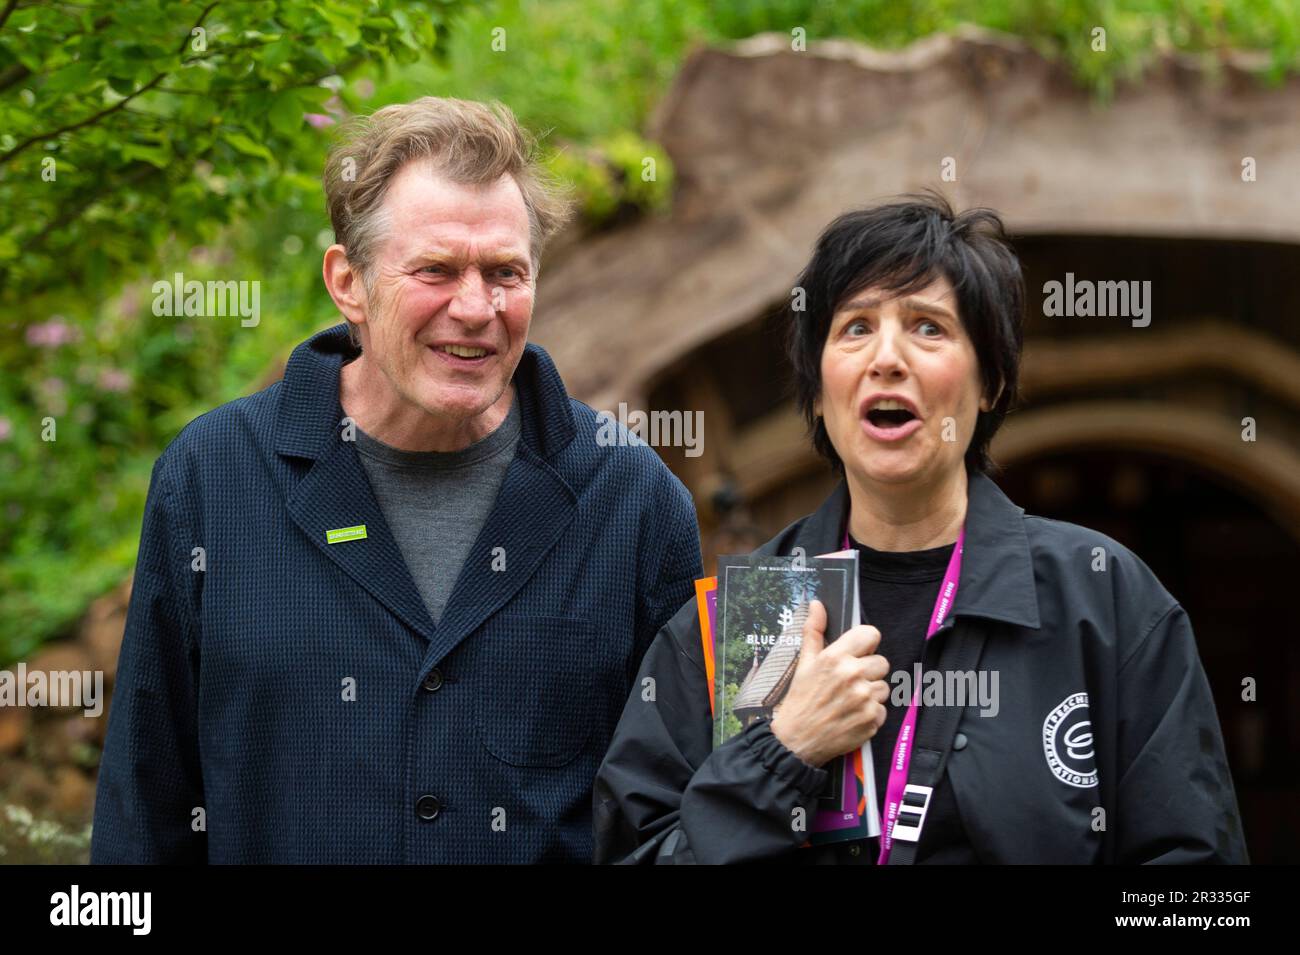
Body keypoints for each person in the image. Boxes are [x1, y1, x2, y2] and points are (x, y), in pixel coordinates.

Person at [92, 97, 702, 863]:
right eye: (437, 270)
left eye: (505, 272)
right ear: (348, 282)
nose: (477, 308)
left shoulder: (633, 500)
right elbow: (142, 816)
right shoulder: (210, 480)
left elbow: (679, 820)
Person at [593, 194, 1248, 864]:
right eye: (855, 328)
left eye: (928, 327)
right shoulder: (745, 614)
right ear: (818, 390)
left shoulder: (1105, 600)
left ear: (991, 380)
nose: (887, 357)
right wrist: (779, 754)